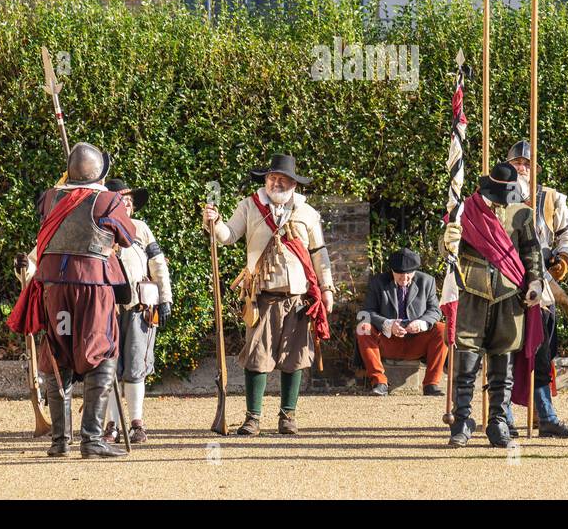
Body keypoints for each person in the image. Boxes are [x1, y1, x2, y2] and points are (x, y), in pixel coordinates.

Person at [202, 153, 335, 437]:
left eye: (283, 179)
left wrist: (326, 289)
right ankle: (253, 418)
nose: (277, 183)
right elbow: (228, 236)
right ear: (266, 180)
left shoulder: (307, 213)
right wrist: (214, 223)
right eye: (272, 178)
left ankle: (288, 416)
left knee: (295, 357)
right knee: (257, 357)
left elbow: (319, 253)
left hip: (299, 298)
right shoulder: (249, 206)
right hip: (261, 295)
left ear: (293, 184)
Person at [33, 143, 138, 458]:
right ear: (101, 172)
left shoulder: (50, 197)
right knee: (101, 350)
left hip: (54, 286)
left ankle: (60, 441)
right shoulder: (107, 201)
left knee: (58, 352)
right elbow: (128, 237)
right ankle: (91, 439)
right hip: (93, 285)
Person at [441, 162, 544, 448]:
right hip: (471, 292)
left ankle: (498, 421)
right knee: (466, 363)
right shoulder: (464, 211)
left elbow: (531, 251)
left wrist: (535, 283)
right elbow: (449, 254)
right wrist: (446, 241)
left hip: (509, 294)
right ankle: (462, 421)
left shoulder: (522, 213)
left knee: (503, 363)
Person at [503, 141, 568, 438]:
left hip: (542, 281)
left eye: (526, 164)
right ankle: (503, 417)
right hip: (506, 282)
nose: (522, 168)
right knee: (504, 352)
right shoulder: (497, 196)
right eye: (517, 163)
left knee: (542, 353)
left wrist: (564, 258)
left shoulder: (551, 198)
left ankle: (545, 415)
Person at [101, 178, 172, 445]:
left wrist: (165, 299)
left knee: (134, 368)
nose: (128, 204)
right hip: (106, 309)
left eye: (130, 201)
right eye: (122, 199)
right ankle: (111, 425)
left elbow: (158, 263)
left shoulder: (141, 229)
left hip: (139, 308)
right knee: (107, 369)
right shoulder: (99, 228)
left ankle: (136, 423)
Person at [355, 248, 447, 397]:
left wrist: (421, 323)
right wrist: (388, 325)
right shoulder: (378, 282)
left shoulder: (427, 281)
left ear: (415, 271)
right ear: (392, 270)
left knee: (442, 329)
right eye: (399, 275)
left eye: (409, 275)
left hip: (417, 341)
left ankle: (431, 384)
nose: (404, 279)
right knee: (363, 327)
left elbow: (435, 310)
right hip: (387, 341)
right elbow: (366, 313)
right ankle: (379, 382)